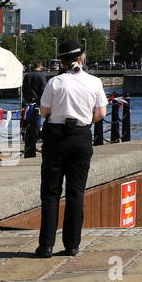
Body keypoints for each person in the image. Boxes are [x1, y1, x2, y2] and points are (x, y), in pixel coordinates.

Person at [35, 41, 107, 257]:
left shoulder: (55, 82)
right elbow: (101, 113)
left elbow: (44, 111)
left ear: (62, 61)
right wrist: (84, 121)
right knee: (76, 192)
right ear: (81, 58)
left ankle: (46, 245)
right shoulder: (94, 82)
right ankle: (72, 244)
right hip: (81, 136)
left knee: (50, 193)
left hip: (56, 137)